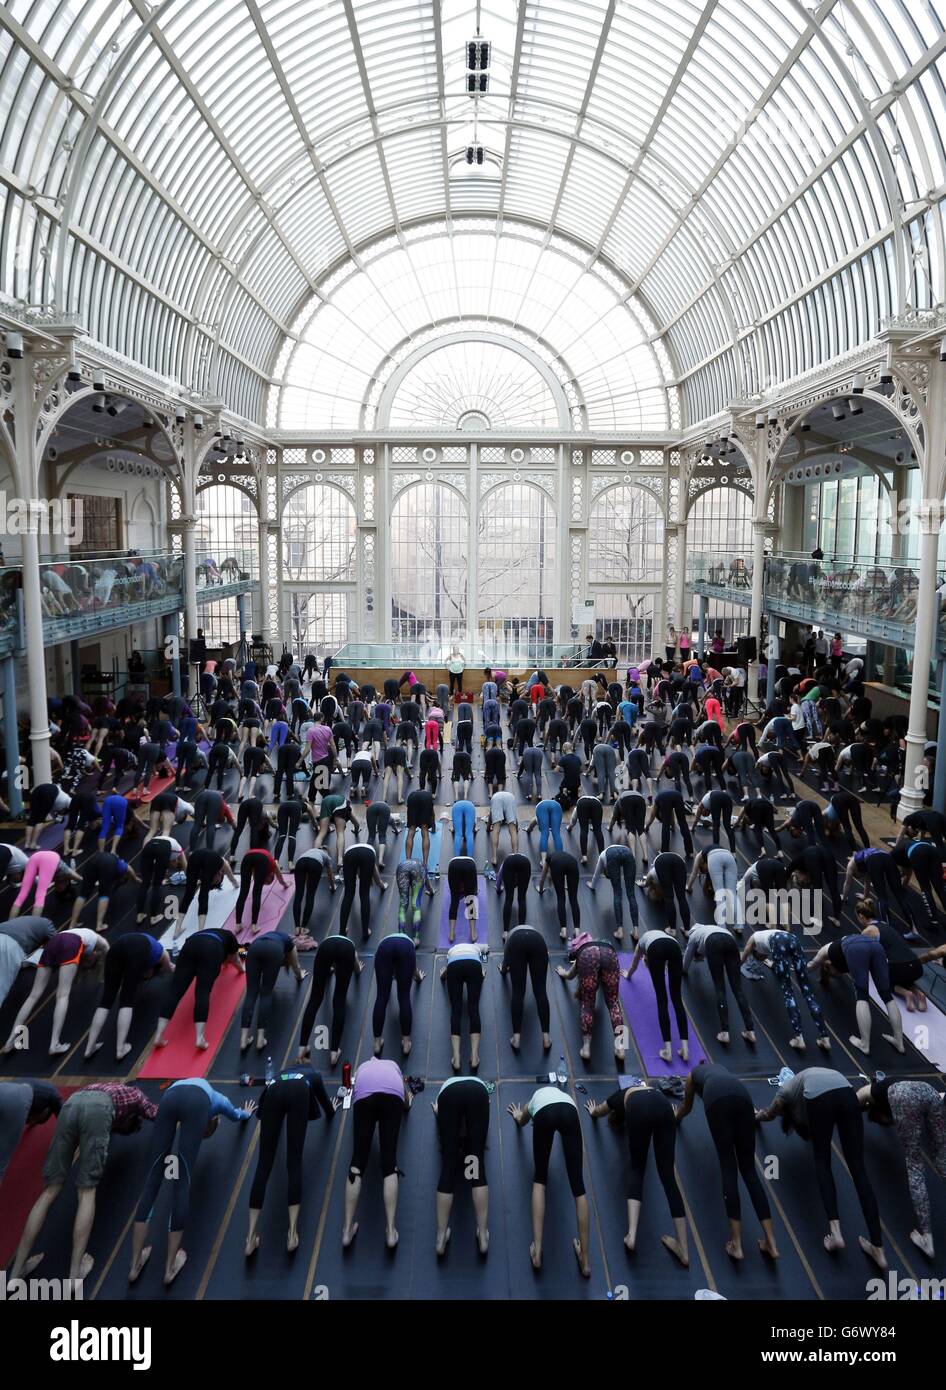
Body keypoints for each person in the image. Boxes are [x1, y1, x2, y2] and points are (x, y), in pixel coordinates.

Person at [10, 1082, 157, 1284]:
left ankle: (15, 1272)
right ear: (129, 1119)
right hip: (99, 1109)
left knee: (49, 1191)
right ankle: (74, 1274)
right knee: (86, 1191)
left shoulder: (109, 1088)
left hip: (73, 1103)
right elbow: (157, 1113)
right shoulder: (136, 1097)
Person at [129, 1079, 256, 1286]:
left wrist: (242, 1113)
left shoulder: (205, 1092)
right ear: (211, 1119)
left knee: (153, 1179)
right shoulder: (216, 1102)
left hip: (170, 1098)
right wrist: (247, 1112)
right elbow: (236, 1114)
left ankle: (134, 1265)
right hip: (195, 1102)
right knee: (182, 1181)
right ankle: (169, 1269)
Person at [755, 1068, 886, 1268]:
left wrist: (756, 1116)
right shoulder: (805, 1079)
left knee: (822, 1161)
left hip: (819, 1097)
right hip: (846, 1092)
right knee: (858, 1169)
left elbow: (770, 1113)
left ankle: (836, 1234)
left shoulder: (785, 1092)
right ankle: (878, 1248)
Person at [675, 1064, 778, 1260]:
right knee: (749, 1170)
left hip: (717, 1099)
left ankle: (736, 1245)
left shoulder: (691, 1076)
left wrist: (675, 1118)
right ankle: (771, 1243)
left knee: (728, 1166)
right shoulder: (722, 1069)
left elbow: (686, 1108)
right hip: (743, 1097)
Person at [586, 1082, 689, 1265]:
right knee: (668, 1177)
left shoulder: (622, 1095)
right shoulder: (646, 1089)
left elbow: (601, 1110)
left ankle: (631, 1235)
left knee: (637, 1169)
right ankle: (684, 1249)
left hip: (639, 1109)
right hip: (663, 1106)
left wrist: (592, 1111)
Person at [245, 1068, 337, 1257]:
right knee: (294, 1161)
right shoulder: (313, 1074)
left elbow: (263, 1115)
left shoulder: (279, 1075)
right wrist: (332, 1109)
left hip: (274, 1091)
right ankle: (292, 1234)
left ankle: (250, 1237)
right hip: (299, 1091)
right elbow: (327, 1109)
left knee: (264, 1163)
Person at [857, 1077, 946, 1258]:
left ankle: (927, 1239)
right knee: (941, 1156)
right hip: (930, 1092)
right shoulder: (885, 1087)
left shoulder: (871, 1091)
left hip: (904, 1097)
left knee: (914, 1165)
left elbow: (854, 1100)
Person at [507, 1086, 590, 1276]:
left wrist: (517, 1115)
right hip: (570, 1113)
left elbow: (522, 1120)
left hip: (544, 1112)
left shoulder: (535, 1097)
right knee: (579, 1188)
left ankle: (537, 1252)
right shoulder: (567, 1098)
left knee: (540, 1179)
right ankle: (585, 1262)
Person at [808, 908, 905, 1056]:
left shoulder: (825, 951)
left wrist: (797, 970)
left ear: (828, 964)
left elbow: (812, 965)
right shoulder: (841, 956)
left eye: (830, 972)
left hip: (857, 948)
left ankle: (865, 1043)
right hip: (876, 946)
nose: (834, 975)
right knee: (887, 995)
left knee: (862, 994)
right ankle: (899, 1041)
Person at [2, 927, 109, 1057]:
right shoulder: (92, 938)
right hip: (69, 942)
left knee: (33, 995)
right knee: (63, 995)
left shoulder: (82, 939)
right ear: (94, 954)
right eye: (89, 962)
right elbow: (105, 945)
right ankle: (54, 1044)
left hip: (52, 943)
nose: (88, 963)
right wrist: (111, 963)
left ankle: (10, 1041)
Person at [342, 1057, 412, 1249]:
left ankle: (347, 1230)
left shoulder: (361, 1067)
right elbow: (404, 1096)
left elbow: (356, 1097)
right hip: (392, 1096)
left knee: (357, 1163)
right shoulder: (394, 1066)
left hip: (364, 1098)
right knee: (389, 1163)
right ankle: (390, 1231)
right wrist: (407, 1105)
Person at [741, 921, 830, 1053]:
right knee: (807, 991)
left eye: (760, 957)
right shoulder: (765, 941)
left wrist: (739, 963)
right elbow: (778, 962)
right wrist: (772, 965)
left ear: (756, 952)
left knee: (788, 992)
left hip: (778, 941)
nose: (762, 957)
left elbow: (747, 949)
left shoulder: (754, 937)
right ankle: (825, 1037)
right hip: (793, 939)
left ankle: (799, 1038)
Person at [85, 932, 174, 1062]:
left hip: (116, 948)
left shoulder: (151, 950)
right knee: (126, 1001)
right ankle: (120, 1049)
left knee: (106, 1000)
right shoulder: (160, 952)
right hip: (136, 948)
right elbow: (169, 966)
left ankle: (89, 1048)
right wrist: (174, 968)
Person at [153, 927, 244, 1051]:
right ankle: (199, 1038)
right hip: (211, 949)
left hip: (190, 946)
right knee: (203, 991)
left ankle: (158, 1035)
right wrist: (242, 970)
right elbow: (236, 960)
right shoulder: (230, 936)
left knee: (175, 992)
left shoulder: (206, 933)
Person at [432, 1076, 490, 1256]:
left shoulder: (447, 1087)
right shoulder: (479, 1087)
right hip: (478, 1092)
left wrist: (439, 1113)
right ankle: (482, 1235)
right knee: (475, 1166)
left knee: (449, 1165)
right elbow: (485, 1107)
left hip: (449, 1094)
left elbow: (442, 1115)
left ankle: (441, 1238)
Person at [682, 924, 756, 1047]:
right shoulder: (710, 929)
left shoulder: (693, 936)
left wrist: (684, 969)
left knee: (720, 987)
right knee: (738, 989)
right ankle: (751, 1031)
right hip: (730, 941)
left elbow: (686, 961)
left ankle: (725, 1032)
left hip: (713, 942)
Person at [556, 933, 625, 1062]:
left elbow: (570, 975)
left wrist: (562, 973)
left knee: (587, 1003)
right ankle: (621, 1048)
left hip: (588, 957)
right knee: (614, 1003)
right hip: (610, 954)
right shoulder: (605, 944)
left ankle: (586, 1048)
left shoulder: (584, 950)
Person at [623, 928, 689, 1063]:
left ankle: (668, 1051)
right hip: (674, 947)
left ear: (645, 957)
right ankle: (685, 1049)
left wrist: (627, 975)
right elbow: (665, 962)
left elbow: (634, 964)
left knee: (662, 999)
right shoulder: (662, 936)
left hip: (656, 948)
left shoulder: (642, 943)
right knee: (677, 999)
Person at [240, 931, 307, 1053]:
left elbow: (246, 954)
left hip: (254, 948)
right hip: (273, 950)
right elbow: (296, 965)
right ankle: (260, 1039)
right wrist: (300, 976)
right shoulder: (288, 942)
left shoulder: (269, 936)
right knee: (266, 993)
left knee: (251, 993)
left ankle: (243, 1039)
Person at [373, 930, 425, 1057]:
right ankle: (406, 1043)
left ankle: (377, 1043)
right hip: (405, 948)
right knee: (404, 996)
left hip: (384, 948)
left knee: (381, 996)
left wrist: (386, 978)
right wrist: (419, 977)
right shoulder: (409, 943)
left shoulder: (385, 941)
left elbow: (381, 970)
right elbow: (413, 969)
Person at [0, 1078, 62, 1184]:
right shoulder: (52, 1096)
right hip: (13, 1100)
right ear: (45, 1110)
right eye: (32, 1120)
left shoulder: (31, 1089)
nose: (29, 1122)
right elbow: (66, 1121)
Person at [499, 926, 551, 1051]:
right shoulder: (537, 933)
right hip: (538, 942)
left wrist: (503, 970)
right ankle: (546, 1038)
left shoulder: (511, 936)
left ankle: (516, 1039)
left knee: (518, 992)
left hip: (517, 943)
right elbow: (545, 956)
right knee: (540, 992)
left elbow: (506, 960)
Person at [441, 939, 487, 1072]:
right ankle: (474, 1056)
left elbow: (447, 970)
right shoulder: (476, 948)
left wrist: (443, 976)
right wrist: (480, 975)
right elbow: (481, 959)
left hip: (454, 965)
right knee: (473, 1009)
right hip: (473, 965)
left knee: (456, 1010)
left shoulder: (452, 950)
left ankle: (456, 1057)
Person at [0, 915, 56, 1011]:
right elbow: (57, 943)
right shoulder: (48, 924)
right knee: (2, 985)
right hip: (12, 944)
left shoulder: (27, 920)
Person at [589, 842, 637, 941]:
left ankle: (620, 931)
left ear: (606, 869)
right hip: (628, 853)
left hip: (612, 854)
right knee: (631, 894)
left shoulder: (603, 855)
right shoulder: (606, 854)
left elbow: (596, 873)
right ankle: (636, 931)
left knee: (617, 893)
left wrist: (592, 885)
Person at [339, 842, 386, 941]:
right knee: (364, 894)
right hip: (367, 854)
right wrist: (381, 885)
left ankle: (342, 931)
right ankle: (365, 931)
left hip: (349, 855)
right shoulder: (369, 850)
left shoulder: (351, 848)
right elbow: (375, 872)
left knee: (348, 894)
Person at [235, 846, 288, 933]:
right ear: (270, 875)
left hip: (247, 857)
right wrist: (285, 885)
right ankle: (254, 925)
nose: (264, 881)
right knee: (256, 892)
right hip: (261, 857)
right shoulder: (273, 867)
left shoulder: (259, 871)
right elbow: (280, 878)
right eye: (267, 881)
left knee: (243, 892)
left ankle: (238, 925)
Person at [537, 848, 581, 940]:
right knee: (573, 899)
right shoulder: (566, 856)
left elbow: (543, 876)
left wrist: (540, 889)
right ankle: (577, 930)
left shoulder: (549, 858)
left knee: (561, 898)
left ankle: (563, 930)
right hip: (573, 864)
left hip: (558, 866)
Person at [446, 853, 479, 944]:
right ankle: (472, 933)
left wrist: (455, 891)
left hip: (453, 865)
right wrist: (474, 891)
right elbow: (475, 885)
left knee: (454, 900)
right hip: (470, 865)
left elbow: (451, 888)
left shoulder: (452, 861)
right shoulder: (472, 861)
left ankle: (452, 933)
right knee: (470, 899)